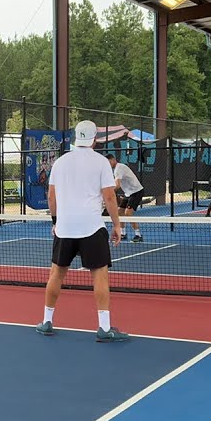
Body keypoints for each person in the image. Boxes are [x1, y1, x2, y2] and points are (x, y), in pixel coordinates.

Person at [35, 120, 128, 342]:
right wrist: (116, 224)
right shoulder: (101, 163)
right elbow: (109, 196)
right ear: (95, 139)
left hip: (65, 228)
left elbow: (51, 196)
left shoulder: (60, 162)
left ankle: (47, 321)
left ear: (76, 138)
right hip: (92, 228)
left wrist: (56, 221)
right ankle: (104, 328)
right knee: (100, 276)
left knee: (56, 274)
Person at [106, 153, 145, 242]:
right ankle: (123, 233)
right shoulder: (115, 169)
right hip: (128, 193)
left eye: (108, 162)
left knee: (128, 214)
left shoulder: (119, 168)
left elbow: (117, 185)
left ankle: (138, 235)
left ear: (113, 160)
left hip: (136, 192)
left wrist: (108, 193)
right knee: (120, 212)